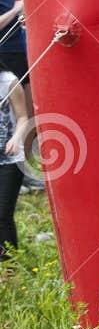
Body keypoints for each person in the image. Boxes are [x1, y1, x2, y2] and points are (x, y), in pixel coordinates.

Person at [0, 65, 32, 260]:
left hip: (10, 159)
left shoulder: (8, 80)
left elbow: (23, 117)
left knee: (2, 215)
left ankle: (8, 266)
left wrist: (16, 137)